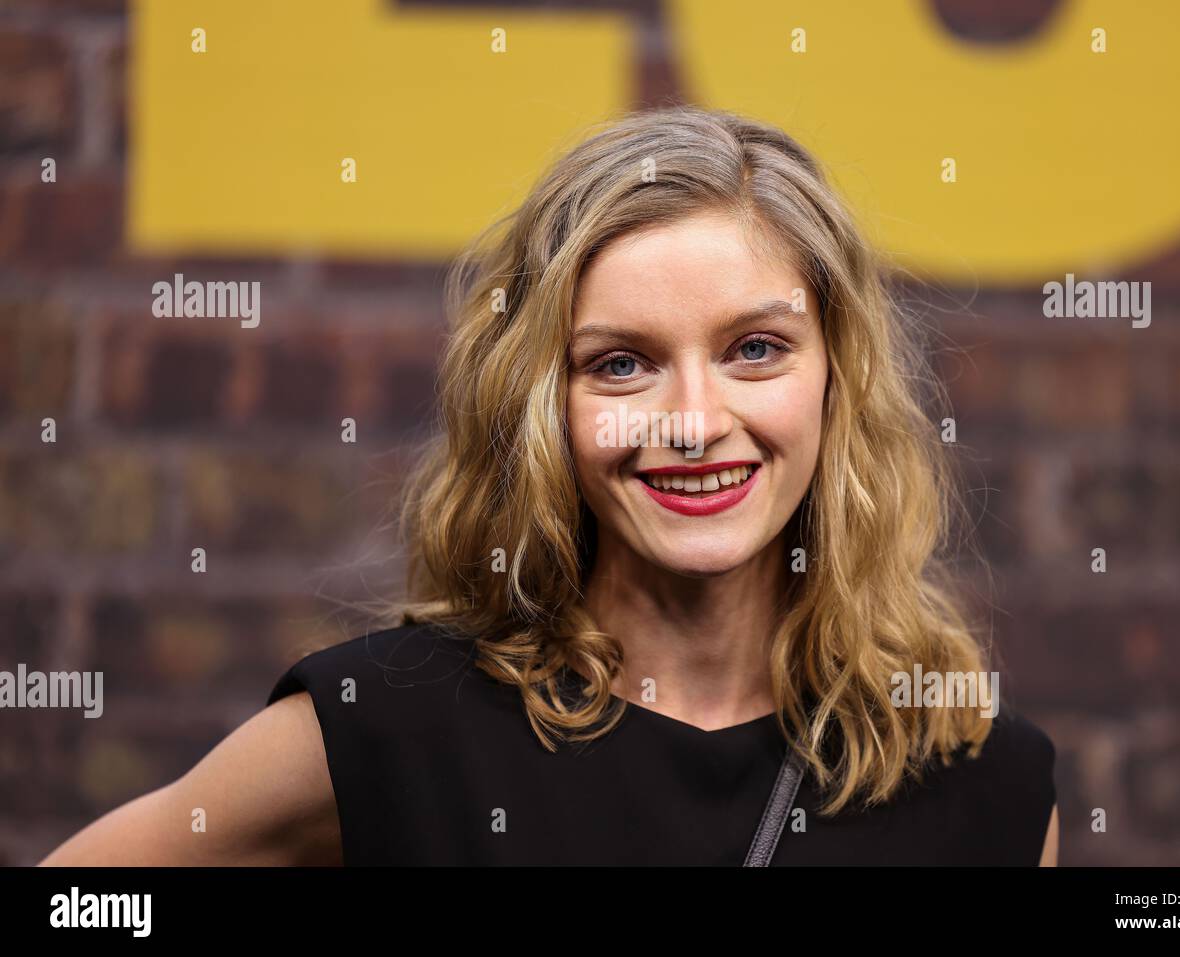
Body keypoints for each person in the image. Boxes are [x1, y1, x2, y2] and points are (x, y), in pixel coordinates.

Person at [40, 105, 1058, 866]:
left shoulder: (983, 780)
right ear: (542, 403)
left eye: (755, 349)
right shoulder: (389, 728)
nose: (695, 423)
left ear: (838, 378)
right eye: (620, 364)